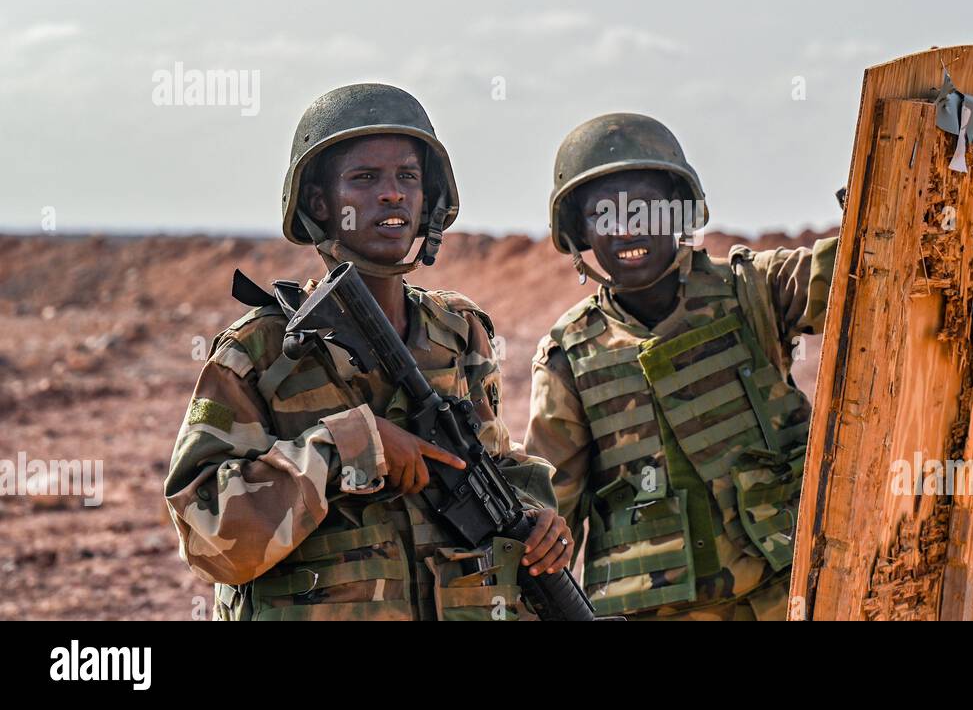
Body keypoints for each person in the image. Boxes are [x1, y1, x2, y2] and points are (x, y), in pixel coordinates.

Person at [164, 83, 572, 620]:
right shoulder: (259, 352)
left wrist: (538, 517)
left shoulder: (458, 332)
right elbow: (207, 536)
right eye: (365, 178)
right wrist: (347, 447)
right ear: (318, 203)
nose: (392, 194)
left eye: (408, 176)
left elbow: (492, 464)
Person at [525, 112, 837, 620]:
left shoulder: (752, 290)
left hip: (790, 595)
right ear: (579, 231)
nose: (628, 229)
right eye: (604, 214)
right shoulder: (570, 356)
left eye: (647, 208)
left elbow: (857, 271)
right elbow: (550, 517)